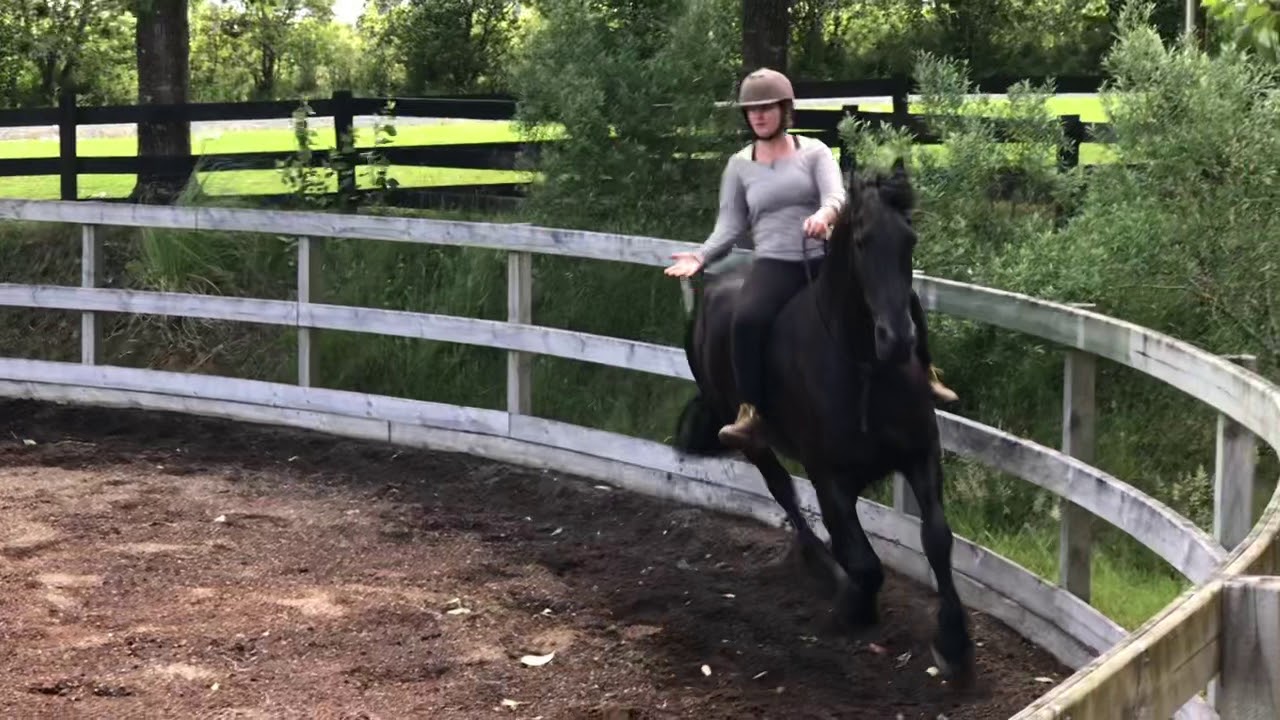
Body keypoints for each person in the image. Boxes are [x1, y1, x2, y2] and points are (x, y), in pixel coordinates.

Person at [665, 67, 958, 450]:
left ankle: (927, 374)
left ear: (785, 110)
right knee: (747, 320)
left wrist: (825, 216)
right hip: (774, 264)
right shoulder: (739, 166)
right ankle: (750, 411)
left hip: (824, 258)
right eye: (752, 110)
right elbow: (730, 225)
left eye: (767, 107)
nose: (758, 115)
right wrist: (701, 257)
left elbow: (835, 196)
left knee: (898, 294)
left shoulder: (814, 152)